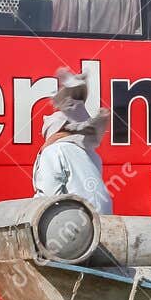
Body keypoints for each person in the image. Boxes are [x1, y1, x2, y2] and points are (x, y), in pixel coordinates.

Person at [32, 67, 111, 214]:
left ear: (54, 132)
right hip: (104, 222)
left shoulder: (54, 151)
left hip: (79, 227)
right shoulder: (92, 155)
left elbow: (48, 200)